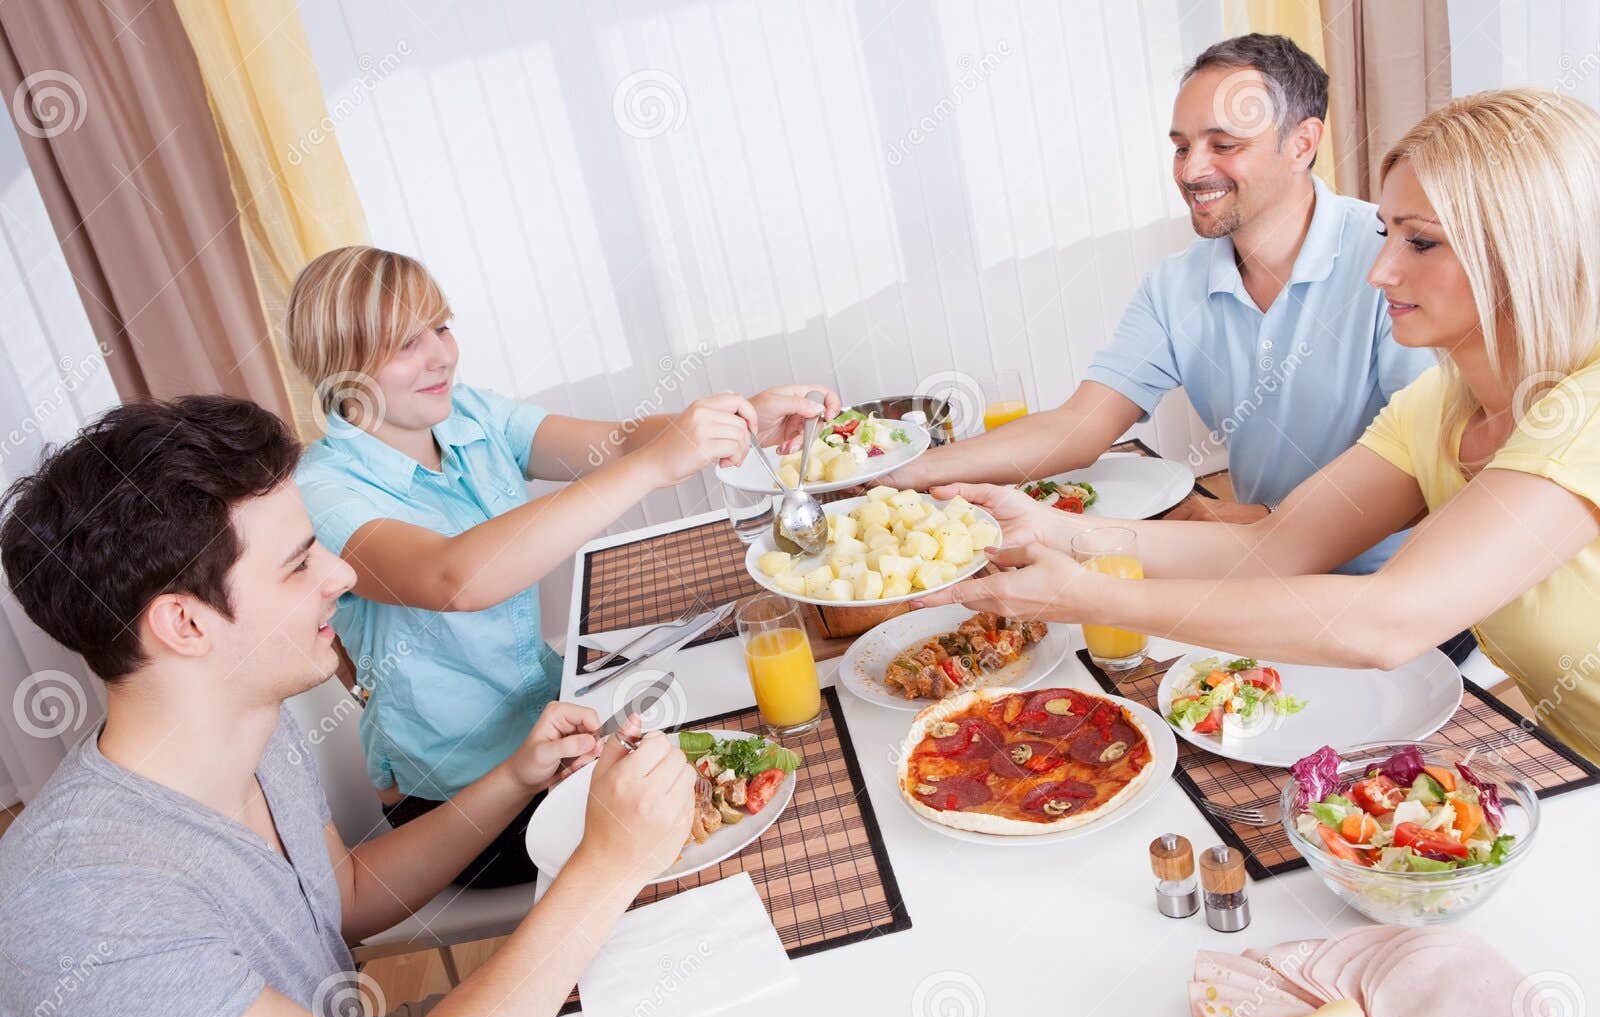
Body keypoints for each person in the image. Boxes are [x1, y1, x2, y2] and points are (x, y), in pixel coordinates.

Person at [0, 397, 694, 1017]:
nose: (341, 572)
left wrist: (514, 777)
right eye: (299, 563)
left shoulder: (251, 724)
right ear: (185, 624)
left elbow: (347, 895)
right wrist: (606, 870)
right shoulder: (91, 906)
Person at [916, 89, 1600, 764]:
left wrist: (1094, 596)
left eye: (1421, 242)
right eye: (1385, 234)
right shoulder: (1439, 404)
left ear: (1527, 255)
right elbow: (1272, 548)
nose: (1380, 270)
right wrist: (1051, 529)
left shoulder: (1585, 411)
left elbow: (1389, 619)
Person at [287, 245, 840, 887]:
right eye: (408, 342)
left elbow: (613, 443)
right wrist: (656, 465)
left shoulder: (469, 414)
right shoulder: (323, 491)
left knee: (755, 756)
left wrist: (738, 421)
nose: (441, 355)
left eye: (440, 327)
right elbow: (453, 578)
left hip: (559, 727)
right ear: (343, 366)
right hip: (466, 812)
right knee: (716, 828)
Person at [885, 34, 1434, 563]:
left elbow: (1426, 463)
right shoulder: (1174, 286)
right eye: (1181, 147)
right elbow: (1079, 425)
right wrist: (900, 471)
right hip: (1252, 561)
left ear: (1302, 144)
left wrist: (1267, 520)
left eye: (1223, 145)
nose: (1192, 171)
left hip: (1386, 577)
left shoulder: (1394, 257)